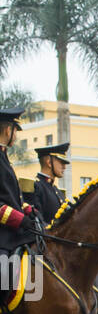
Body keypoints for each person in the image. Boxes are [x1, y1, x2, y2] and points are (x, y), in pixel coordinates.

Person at [0, 107, 42, 260]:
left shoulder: (3, 156)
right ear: (7, 130)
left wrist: (28, 210)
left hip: (14, 234)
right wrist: (20, 219)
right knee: (5, 277)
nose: (16, 136)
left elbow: (10, 197)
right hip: (3, 238)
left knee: (39, 258)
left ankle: (36, 286)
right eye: (15, 131)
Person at [32, 141, 70, 223]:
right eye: (61, 162)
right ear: (49, 162)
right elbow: (37, 223)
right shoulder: (35, 187)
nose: (64, 167)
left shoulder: (57, 191)